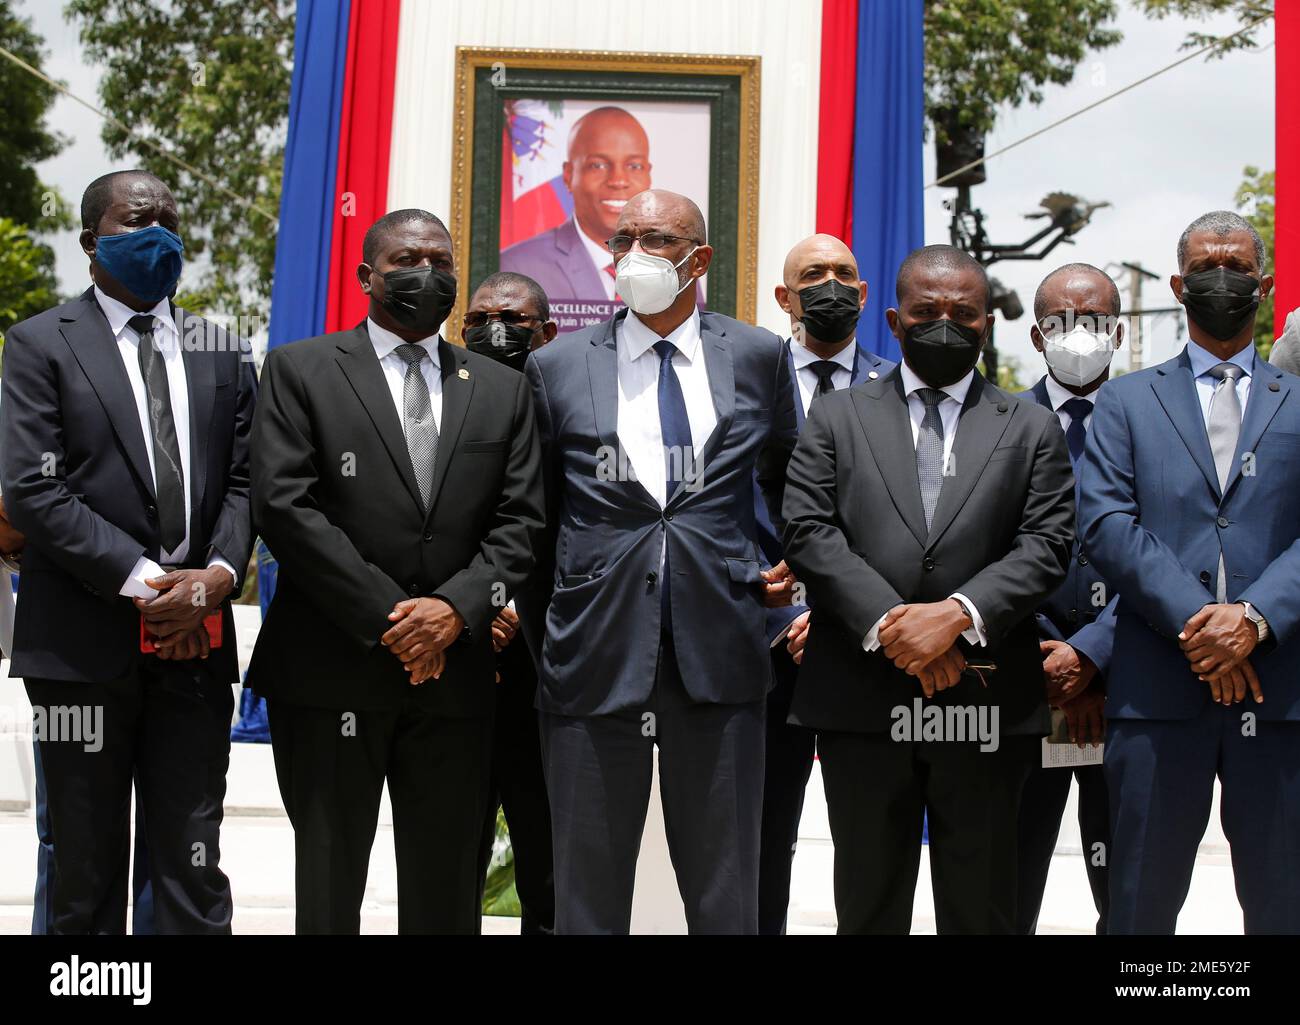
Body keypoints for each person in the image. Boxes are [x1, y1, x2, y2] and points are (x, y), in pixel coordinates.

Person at [248, 209, 546, 935]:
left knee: (446, 890)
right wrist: (399, 620)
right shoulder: (301, 369)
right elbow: (287, 508)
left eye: (442, 262)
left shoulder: (501, 391)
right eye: (409, 259)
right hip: (329, 670)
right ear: (366, 276)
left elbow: (523, 521)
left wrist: (453, 612)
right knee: (327, 885)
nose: (428, 274)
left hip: (455, 677)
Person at [518, 189, 797, 934]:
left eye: (659, 239)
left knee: (726, 896)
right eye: (625, 238)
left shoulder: (760, 356)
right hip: (592, 657)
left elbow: (789, 479)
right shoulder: (556, 366)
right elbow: (536, 520)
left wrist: (777, 565)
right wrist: (560, 622)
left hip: (724, 655)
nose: (636, 253)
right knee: (585, 897)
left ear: (699, 259)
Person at [782, 244, 1075, 934]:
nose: (945, 322)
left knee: (982, 906)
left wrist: (956, 616)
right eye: (926, 310)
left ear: (985, 325)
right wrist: (893, 623)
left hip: (984, 697)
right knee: (868, 900)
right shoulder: (836, 415)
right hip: (861, 700)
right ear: (893, 317)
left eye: (964, 312)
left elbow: (1048, 543)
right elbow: (807, 529)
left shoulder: (1030, 425)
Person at [0, 169, 256, 934]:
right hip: (80, 645)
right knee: (82, 856)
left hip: (197, 646)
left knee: (191, 853)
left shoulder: (222, 347)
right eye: (139, 221)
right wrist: (147, 584)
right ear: (91, 242)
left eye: (171, 221)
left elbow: (247, 481)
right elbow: (34, 492)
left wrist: (212, 578)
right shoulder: (40, 343)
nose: (160, 235)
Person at [1080, 210, 1300, 934]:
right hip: (1156, 695)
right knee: (1138, 907)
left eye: (1237, 267)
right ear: (1178, 284)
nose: (1222, 279)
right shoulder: (1125, 400)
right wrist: (1204, 626)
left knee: (1283, 905)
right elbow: (1107, 525)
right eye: (1207, 266)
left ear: (1264, 285)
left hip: (1280, 697)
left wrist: (1256, 619)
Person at [756, 234, 894, 935]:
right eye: (813, 275)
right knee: (760, 837)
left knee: (869, 843)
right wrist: (781, 612)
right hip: (764, 648)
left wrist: (841, 608)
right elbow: (715, 510)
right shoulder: (746, 381)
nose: (831, 285)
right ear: (785, 298)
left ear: (865, 295)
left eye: (845, 273)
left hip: (868, 644)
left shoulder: (904, 388)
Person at [1015, 263, 1122, 935]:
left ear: (1118, 330)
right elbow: (975, 550)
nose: (1077, 334)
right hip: (1026, 690)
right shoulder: (993, 421)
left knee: (1132, 890)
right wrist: (1047, 655)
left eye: (1093, 320)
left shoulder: (1156, 420)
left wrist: (1093, 654)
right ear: (1035, 334)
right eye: (1060, 321)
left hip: (1129, 689)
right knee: (1008, 883)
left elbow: (1172, 549)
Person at [461, 271, 558, 935]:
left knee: (546, 854)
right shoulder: (430, 405)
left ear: (547, 332)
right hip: (450, 653)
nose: (495, 329)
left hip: (543, 665)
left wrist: (517, 605)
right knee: (447, 848)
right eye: (479, 318)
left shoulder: (576, 411)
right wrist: (474, 602)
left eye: (514, 318)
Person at [500, 106, 651, 304]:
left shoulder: (672, 264)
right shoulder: (518, 267)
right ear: (569, 175)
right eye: (598, 165)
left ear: (648, 174)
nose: (618, 180)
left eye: (634, 166)